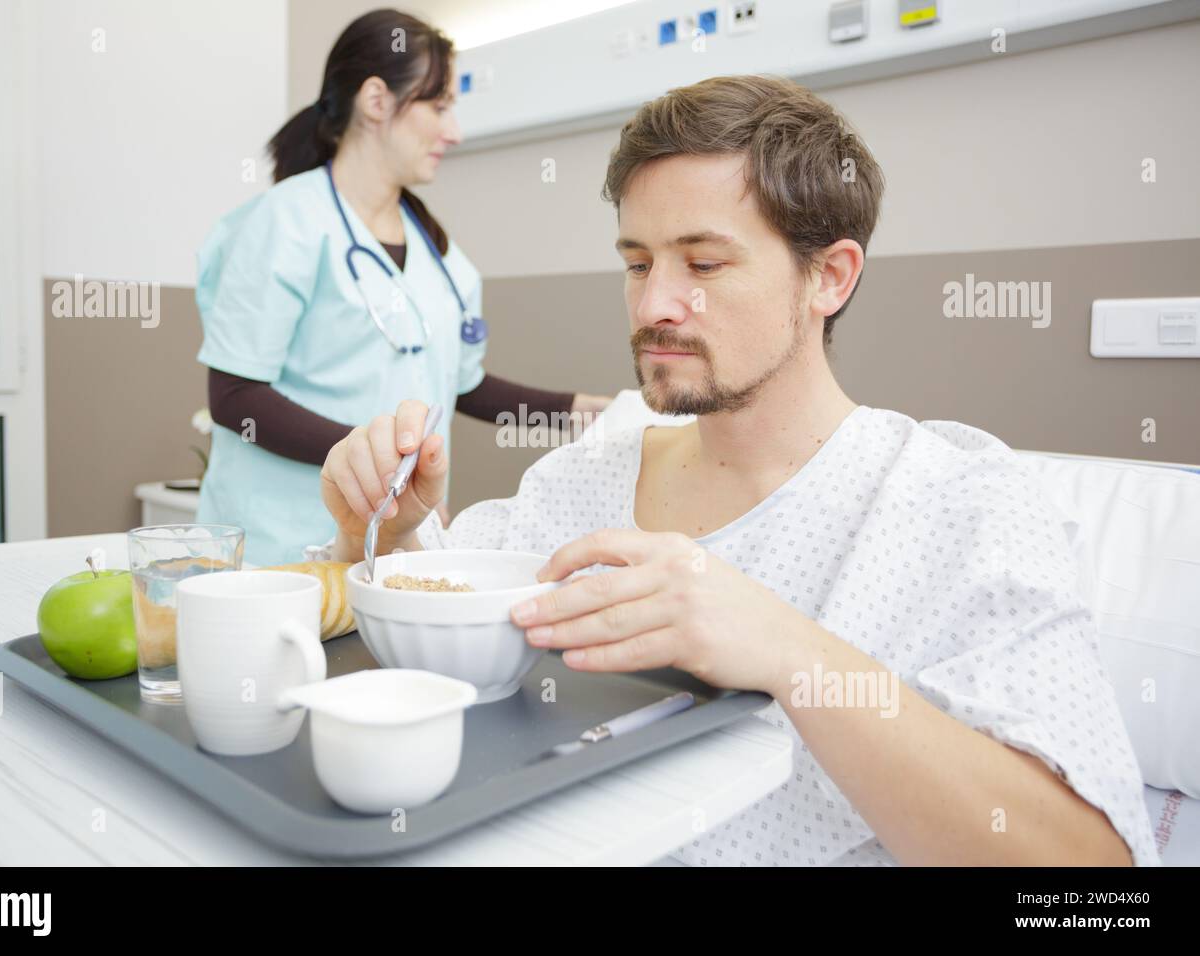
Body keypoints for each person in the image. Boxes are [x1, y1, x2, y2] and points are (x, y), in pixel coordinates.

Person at [312, 74, 1158, 866]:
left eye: (703, 265)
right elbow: (448, 641)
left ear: (829, 276)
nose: (652, 307)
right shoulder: (581, 483)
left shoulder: (957, 504)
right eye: (638, 263)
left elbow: (1094, 883)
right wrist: (386, 522)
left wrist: (788, 651)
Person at [193, 8, 610, 565]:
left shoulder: (439, 252)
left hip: (395, 546)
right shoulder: (285, 221)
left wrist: (582, 411)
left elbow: (457, 385)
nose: (454, 131)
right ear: (376, 101)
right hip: (279, 547)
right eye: (438, 107)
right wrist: (382, 461)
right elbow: (235, 398)